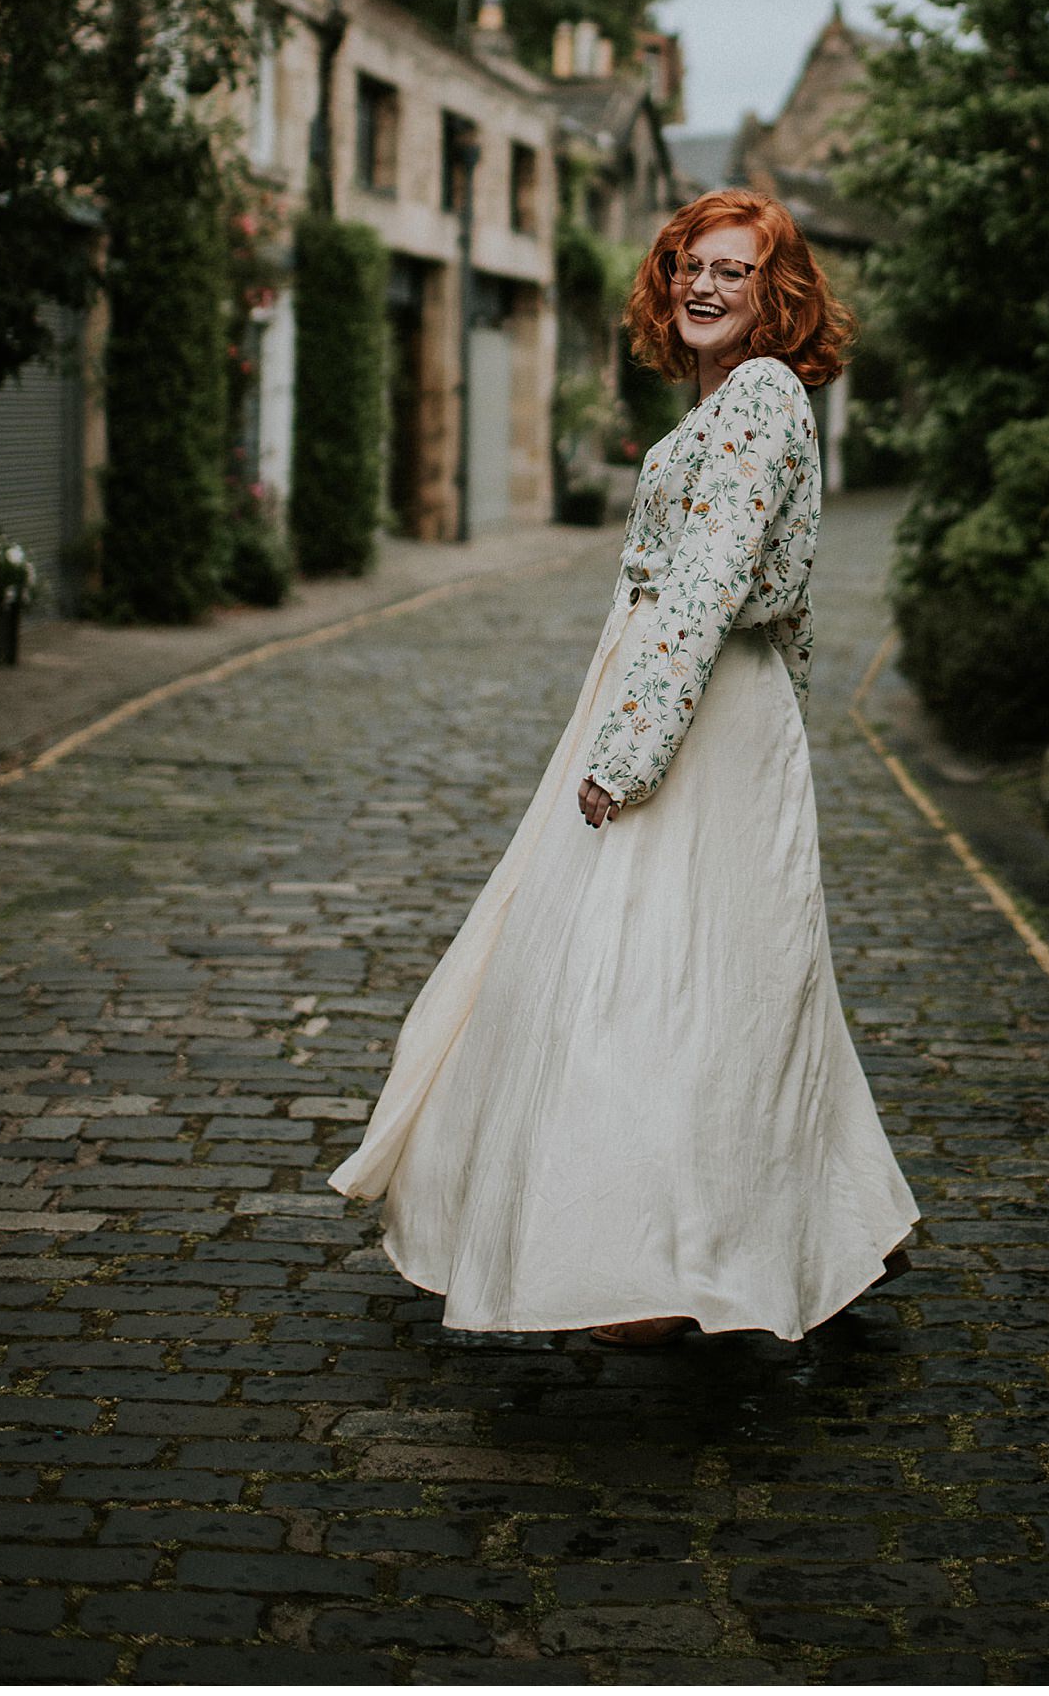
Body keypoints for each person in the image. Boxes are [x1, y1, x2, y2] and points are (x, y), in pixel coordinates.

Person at [329, 188, 917, 1347]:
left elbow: (707, 586)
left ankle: (646, 1257)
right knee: (732, 971)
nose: (704, 285)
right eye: (691, 265)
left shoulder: (756, 395)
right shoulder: (739, 399)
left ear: (776, 296)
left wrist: (632, 752)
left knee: (654, 971)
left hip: (688, 712)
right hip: (688, 697)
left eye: (734, 272)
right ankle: (834, 1220)